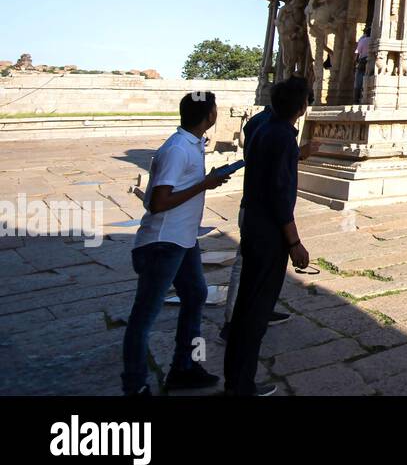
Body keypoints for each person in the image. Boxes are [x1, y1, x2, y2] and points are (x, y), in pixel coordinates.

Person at [121, 91, 229, 395]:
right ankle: (135, 385)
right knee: (144, 317)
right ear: (209, 116)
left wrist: (205, 181)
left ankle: (185, 366)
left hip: (182, 240)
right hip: (162, 244)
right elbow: (157, 202)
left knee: (195, 296)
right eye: (214, 109)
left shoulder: (193, 144)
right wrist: (204, 184)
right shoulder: (178, 149)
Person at [223, 77, 312, 396]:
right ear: (302, 108)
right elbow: (279, 196)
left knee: (248, 303)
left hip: (252, 222)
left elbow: (268, 165)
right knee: (256, 311)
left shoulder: (262, 127)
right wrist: (294, 243)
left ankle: (236, 378)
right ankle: (241, 385)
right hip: (269, 231)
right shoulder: (283, 138)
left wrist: (297, 154)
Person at [353, 26, 371, 103]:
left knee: (359, 80)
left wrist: (355, 62)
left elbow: (357, 52)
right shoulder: (373, 40)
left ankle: (356, 99)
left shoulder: (363, 40)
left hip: (363, 60)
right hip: (371, 60)